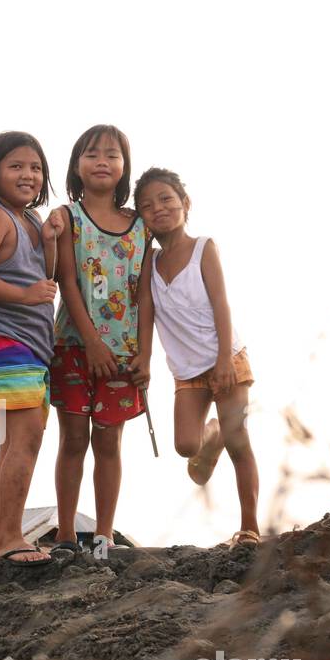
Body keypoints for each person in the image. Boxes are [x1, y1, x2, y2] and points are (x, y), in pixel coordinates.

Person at [132, 168, 260, 547]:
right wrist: (145, 360)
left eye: (167, 200)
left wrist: (223, 360)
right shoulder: (148, 262)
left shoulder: (204, 247)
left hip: (226, 359)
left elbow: (221, 304)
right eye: (147, 206)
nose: (159, 209)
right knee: (186, 447)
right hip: (187, 372)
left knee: (238, 442)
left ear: (185, 204)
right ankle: (212, 432)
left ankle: (250, 527)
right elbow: (146, 312)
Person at [0, 130, 64, 566]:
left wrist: (53, 239)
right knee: (24, 441)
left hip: (29, 346)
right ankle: (11, 537)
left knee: (15, 445)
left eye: (36, 167)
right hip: (3, 339)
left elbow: (46, 276)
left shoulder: (32, 221)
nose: (28, 174)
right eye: (16, 166)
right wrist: (24, 297)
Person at [49, 125, 151, 555]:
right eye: (92, 154)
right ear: (77, 165)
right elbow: (66, 281)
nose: (102, 161)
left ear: (125, 167)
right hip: (74, 345)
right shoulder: (67, 217)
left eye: (112, 154)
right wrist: (91, 342)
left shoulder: (140, 224)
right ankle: (67, 533)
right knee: (73, 438)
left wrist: (146, 352)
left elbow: (145, 293)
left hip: (125, 351)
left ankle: (104, 535)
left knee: (108, 440)